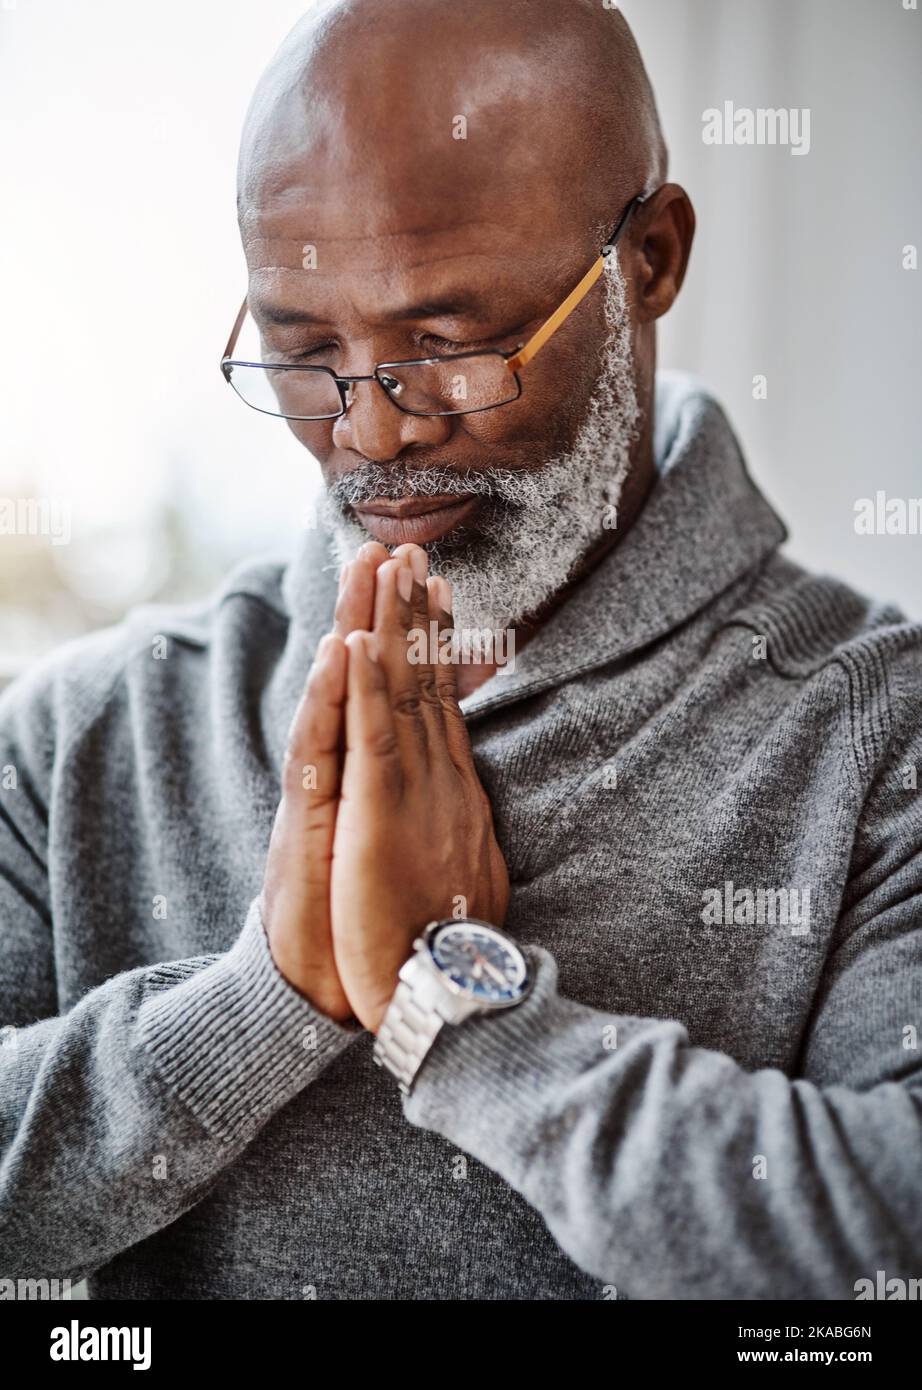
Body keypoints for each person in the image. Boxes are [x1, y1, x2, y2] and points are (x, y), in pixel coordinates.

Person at [1, 0, 919, 1301]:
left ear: (648, 259)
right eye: (304, 349)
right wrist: (267, 996)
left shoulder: (882, 733)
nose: (370, 439)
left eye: (448, 345)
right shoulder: (75, 734)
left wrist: (459, 1011)